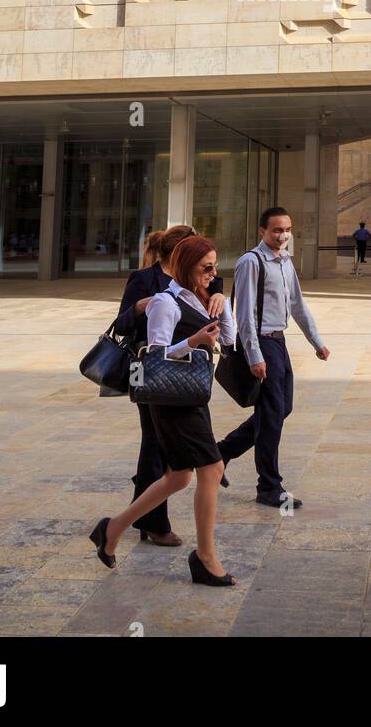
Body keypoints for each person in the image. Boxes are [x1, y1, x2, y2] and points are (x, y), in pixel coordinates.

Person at [91, 235, 237, 586]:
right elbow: (155, 355)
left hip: (191, 398)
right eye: (207, 267)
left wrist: (223, 302)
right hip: (170, 400)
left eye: (216, 266)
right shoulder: (164, 302)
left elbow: (230, 342)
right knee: (212, 468)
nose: (213, 273)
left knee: (179, 476)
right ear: (187, 266)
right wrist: (194, 341)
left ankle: (111, 529)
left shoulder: (201, 300)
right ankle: (205, 557)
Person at [112, 224, 225, 546]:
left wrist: (218, 296)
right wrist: (139, 306)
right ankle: (153, 523)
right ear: (181, 254)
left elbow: (217, 319)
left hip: (188, 379)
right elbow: (121, 324)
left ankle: (124, 524)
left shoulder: (203, 278)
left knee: (174, 464)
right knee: (154, 449)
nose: (211, 270)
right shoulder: (145, 280)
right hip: (153, 374)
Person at [217, 207, 329, 509]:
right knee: (271, 417)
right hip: (262, 345)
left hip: (279, 343)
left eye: (287, 229)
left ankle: (222, 452)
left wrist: (316, 341)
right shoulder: (250, 263)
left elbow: (297, 305)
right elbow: (245, 314)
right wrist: (254, 355)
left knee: (281, 409)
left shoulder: (285, 262)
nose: (283, 235)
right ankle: (269, 486)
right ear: (262, 231)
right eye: (277, 230)